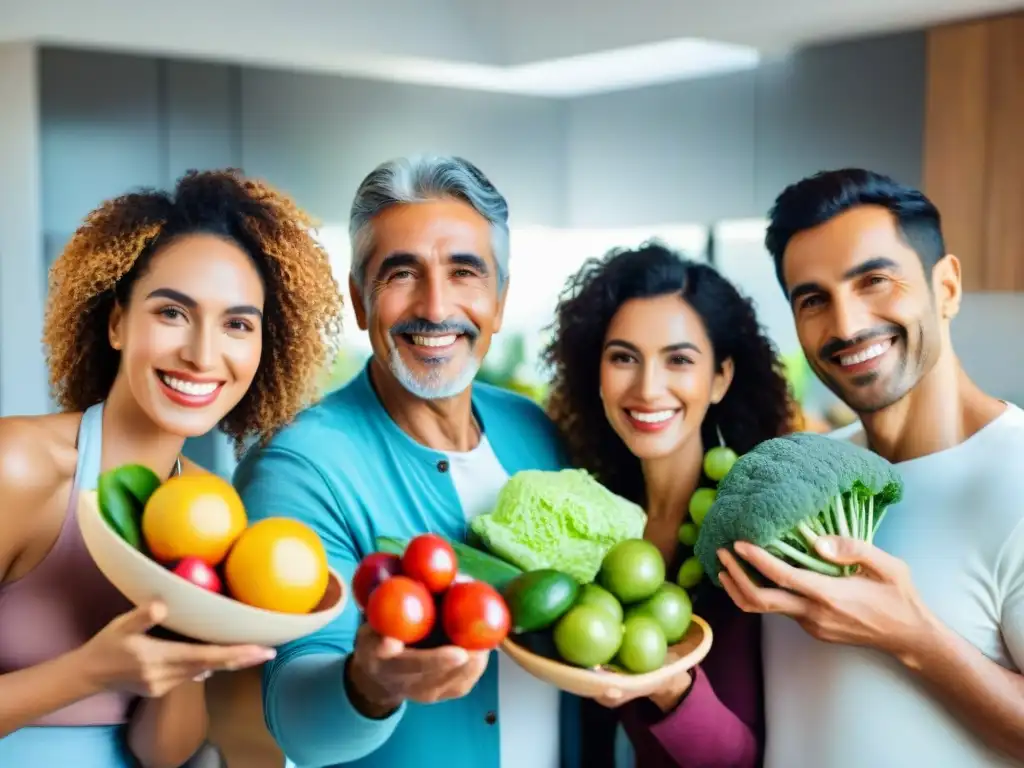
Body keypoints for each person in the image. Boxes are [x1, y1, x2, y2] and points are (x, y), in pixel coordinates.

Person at [232, 155, 580, 768]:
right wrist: (370, 685)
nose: (435, 306)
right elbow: (293, 715)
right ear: (360, 302)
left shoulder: (535, 431)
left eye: (465, 272)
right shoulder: (298, 465)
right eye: (401, 273)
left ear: (499, 300)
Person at [0, 168, 346, 767]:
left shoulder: (213, 507)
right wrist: (88, 671)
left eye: (238, 324)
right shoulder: (19, 466)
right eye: (172, 313)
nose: (203, 355)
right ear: (116, 323)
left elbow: (162, 754)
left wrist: (193, 642)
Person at [715, 168, 1024, 767]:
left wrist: (912, 637)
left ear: (948, 288)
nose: (847, 325)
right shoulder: (801, 477)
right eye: (813, 299)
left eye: (875, 281)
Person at [543, 243, 794, 767]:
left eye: (678, 359)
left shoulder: (761, 535)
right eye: (624, 358)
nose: (648, 388)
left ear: (721, 377)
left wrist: (666, 686)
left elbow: (747, 759)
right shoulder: (591, 517)